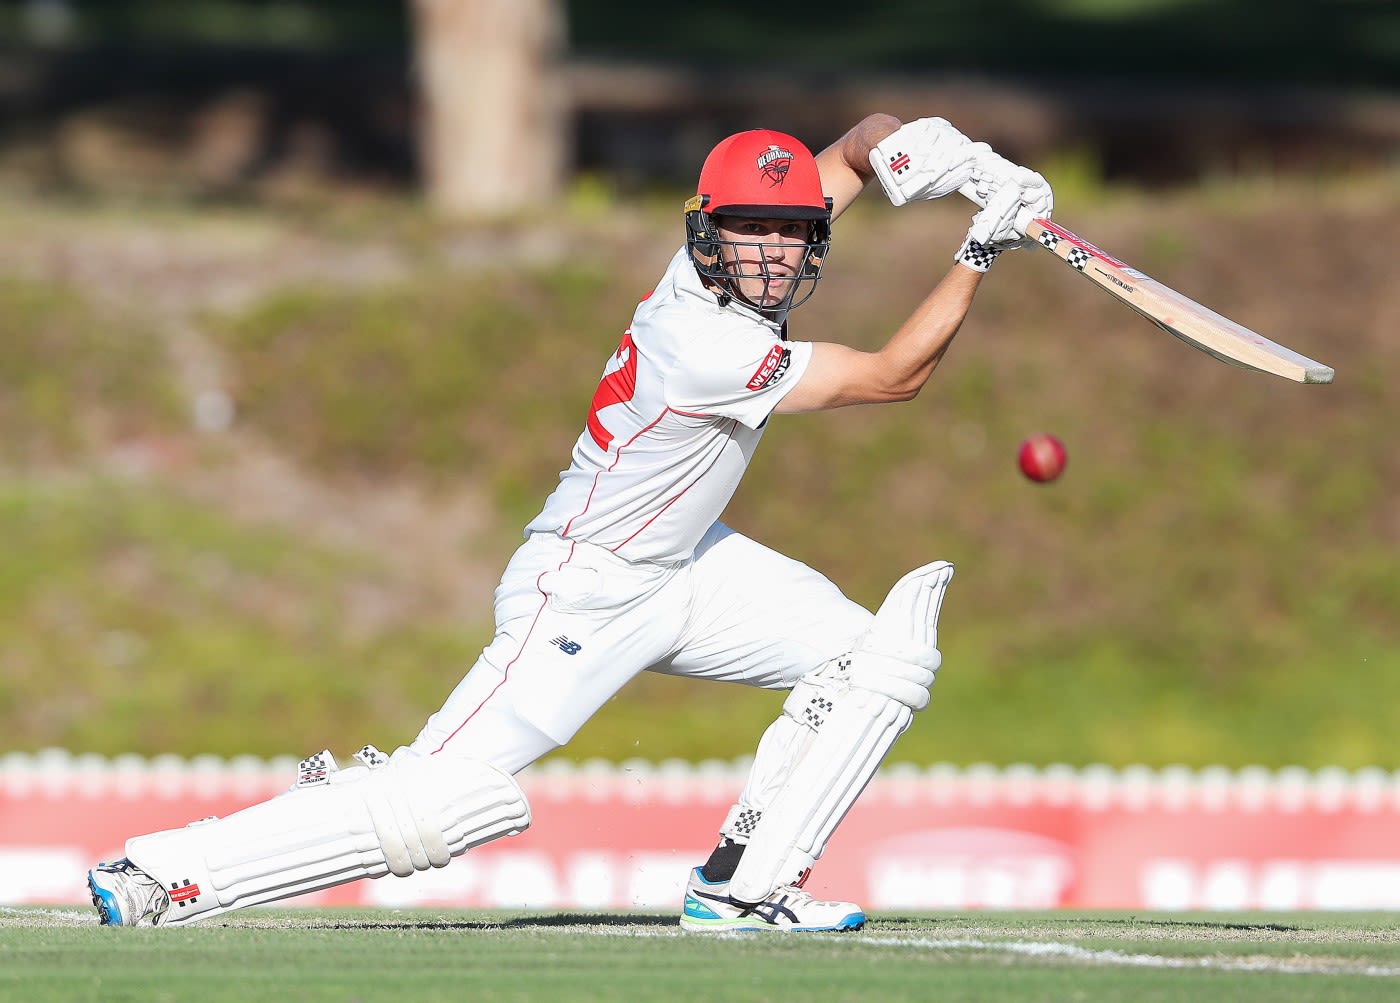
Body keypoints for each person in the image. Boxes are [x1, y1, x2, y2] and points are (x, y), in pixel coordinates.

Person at [86, 113, 1052, 932]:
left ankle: (744, 885)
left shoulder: (738, 257)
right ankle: (166, 872)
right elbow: (894, 377)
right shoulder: (700, 341)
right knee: (449, 797)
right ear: (707, 235)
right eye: (752, 233)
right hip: (586, 582)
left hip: (687, 569)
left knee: (874, 655)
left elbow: (849, 148)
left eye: (794, 233)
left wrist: (944, 154)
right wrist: (978, 247)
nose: (774, 255)